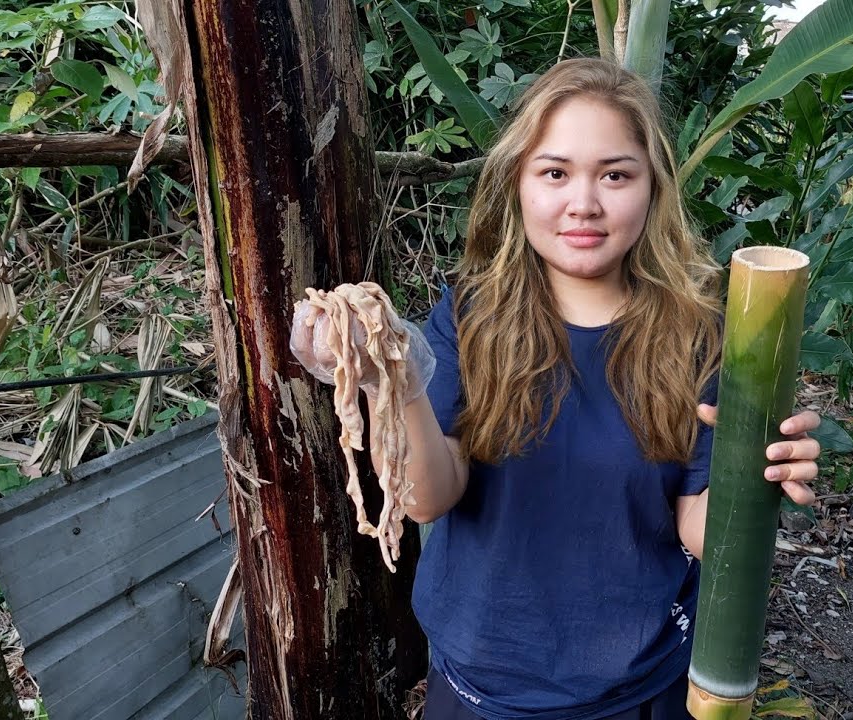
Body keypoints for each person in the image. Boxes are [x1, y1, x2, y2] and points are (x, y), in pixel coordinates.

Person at [291, 57, 821, 719]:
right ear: (519, 183)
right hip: (479, 690)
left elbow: (697, 530)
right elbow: (428, 497)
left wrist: (756, 478)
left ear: (652, 188)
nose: (584, 203)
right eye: (555, 172)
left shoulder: (701, 335)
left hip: (638, 692)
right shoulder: (471, 315)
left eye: (616, 175)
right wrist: (386, 380)